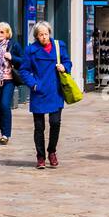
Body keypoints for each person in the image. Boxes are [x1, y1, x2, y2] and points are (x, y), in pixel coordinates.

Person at [18, 21, 71, 169]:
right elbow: (24, 70)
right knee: (39, 126)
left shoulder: (59, 46)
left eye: (46, 34)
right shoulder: (31, 50)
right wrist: (34, 84)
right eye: (40, 35)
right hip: (39, 91)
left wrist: (64, 67)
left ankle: (52, 151)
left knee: (55, 122)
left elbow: (68, 62)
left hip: (55, 91)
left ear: (50, 33)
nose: (44, 37)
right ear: (36, 36)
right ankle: (40, 156)